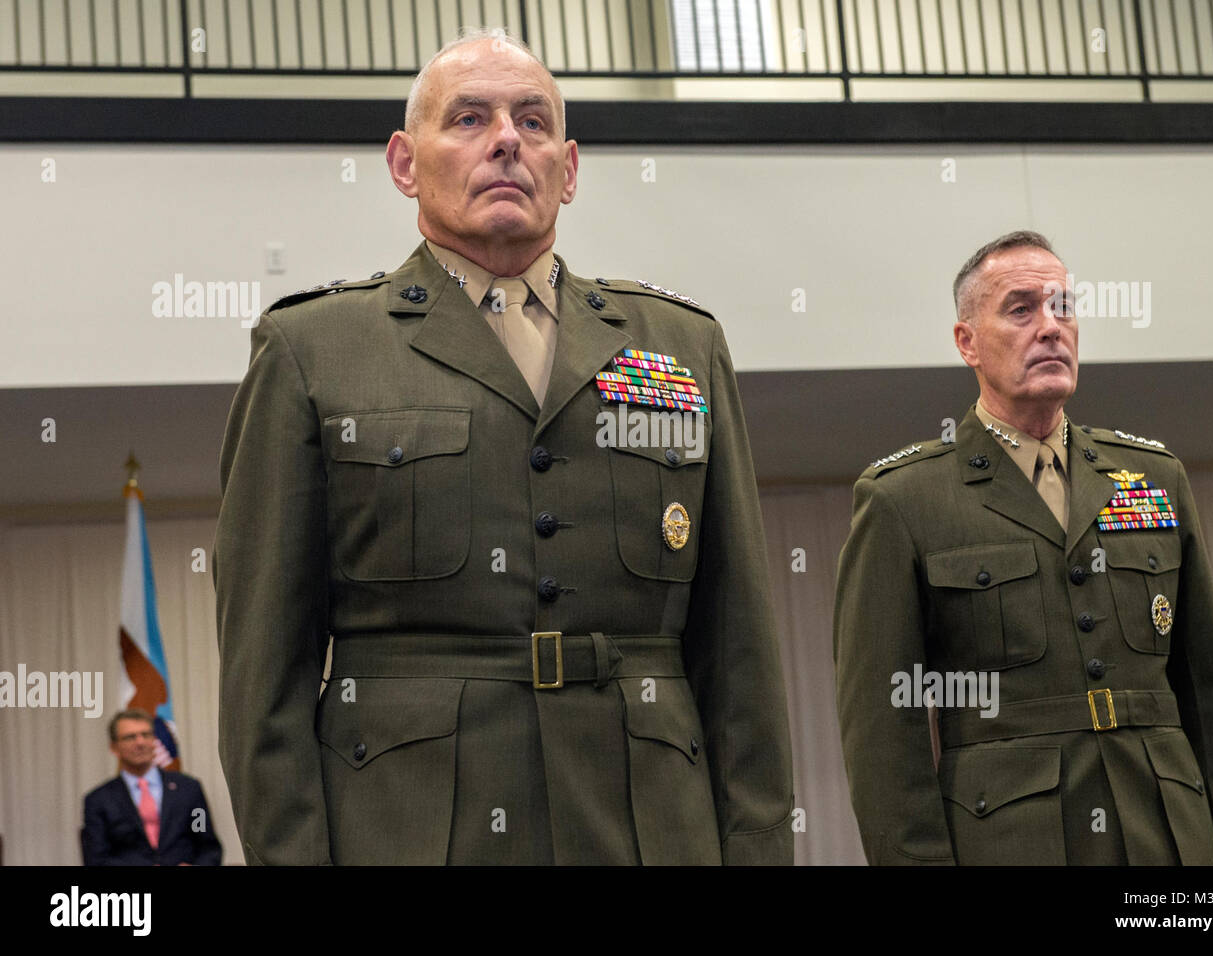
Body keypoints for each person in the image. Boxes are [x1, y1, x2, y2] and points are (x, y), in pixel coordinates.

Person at [212, 30, 793, 865]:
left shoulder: (678, 345)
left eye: (533, 120)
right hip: (409, 829)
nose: (508, 140)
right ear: (406, 164)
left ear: (571, 166)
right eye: (470, 118)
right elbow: (263, 669)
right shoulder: (315, 350)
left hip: (646, 828)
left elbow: (739, 648)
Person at [833, 230, 1213, 865]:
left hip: (1165, 842)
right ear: (967, 342)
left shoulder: (1152, 478)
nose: (1051, 327)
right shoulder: (905, 499)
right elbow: (883, 743)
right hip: (1011, 843)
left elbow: (1212, 702)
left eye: (1063, 306)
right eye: (1021, 308)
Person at [81, 709, 222, 866]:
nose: (140, 742)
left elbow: (208, 846)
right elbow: (95, 859)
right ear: (114, 747)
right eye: (130, 737)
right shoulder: (98, 800)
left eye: (146, 735)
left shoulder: (189, 790)